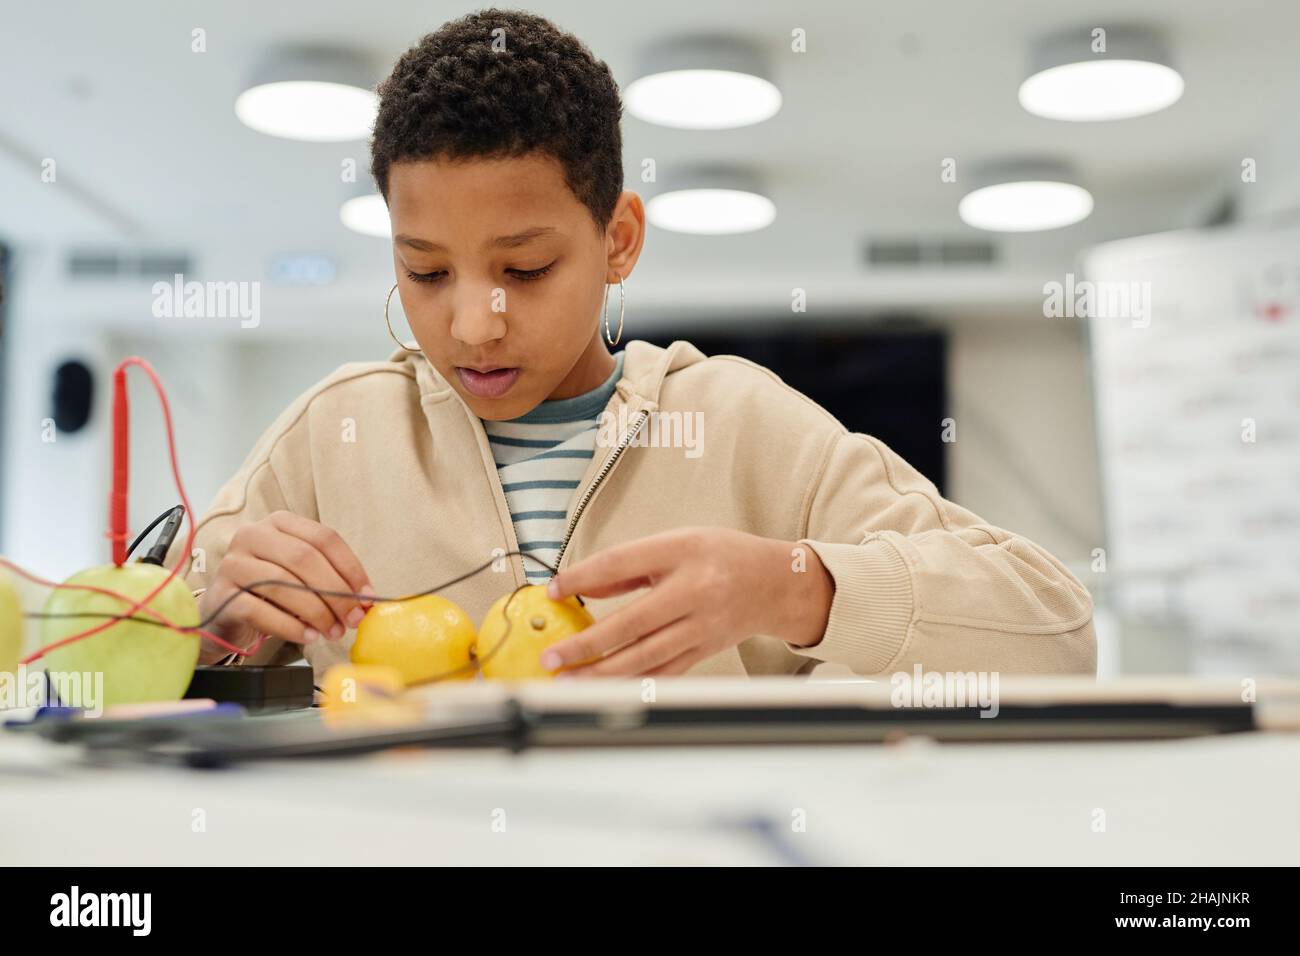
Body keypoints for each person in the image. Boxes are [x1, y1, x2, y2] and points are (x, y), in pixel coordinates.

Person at [169, 8, 1095, 680]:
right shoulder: (337, 433)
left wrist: (793, 586)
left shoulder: (740, 422)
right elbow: (114, 648)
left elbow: (1057, 638)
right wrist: (212, 616)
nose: (472, 323)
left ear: (618, 240)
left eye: (524, 270)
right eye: (426, 271)